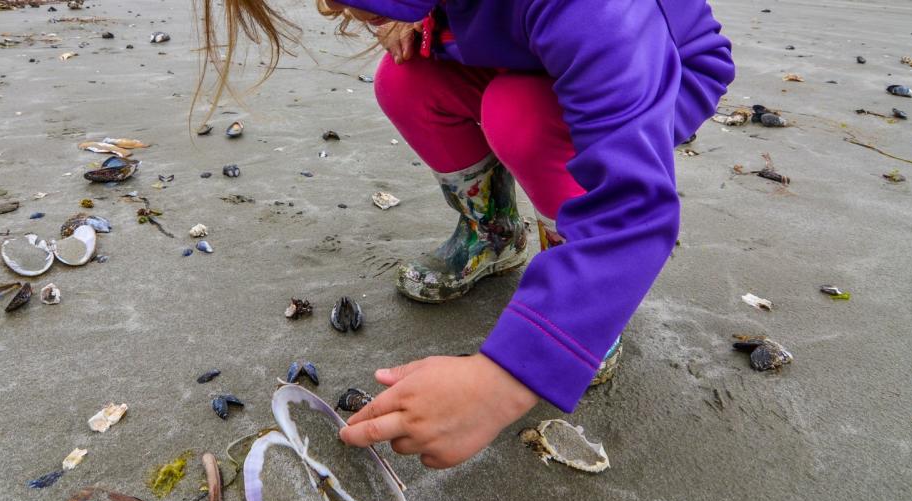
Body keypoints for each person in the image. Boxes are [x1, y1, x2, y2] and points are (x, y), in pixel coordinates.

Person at [198, 0, 734, 469]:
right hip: (526, 46)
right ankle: (493, 234)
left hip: (661, 71)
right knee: (404, 80)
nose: (331, 8)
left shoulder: (591, 9)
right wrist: (426, 19)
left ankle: (585, 304)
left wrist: (501, 382)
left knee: (519, 115)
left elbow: (633, 210)